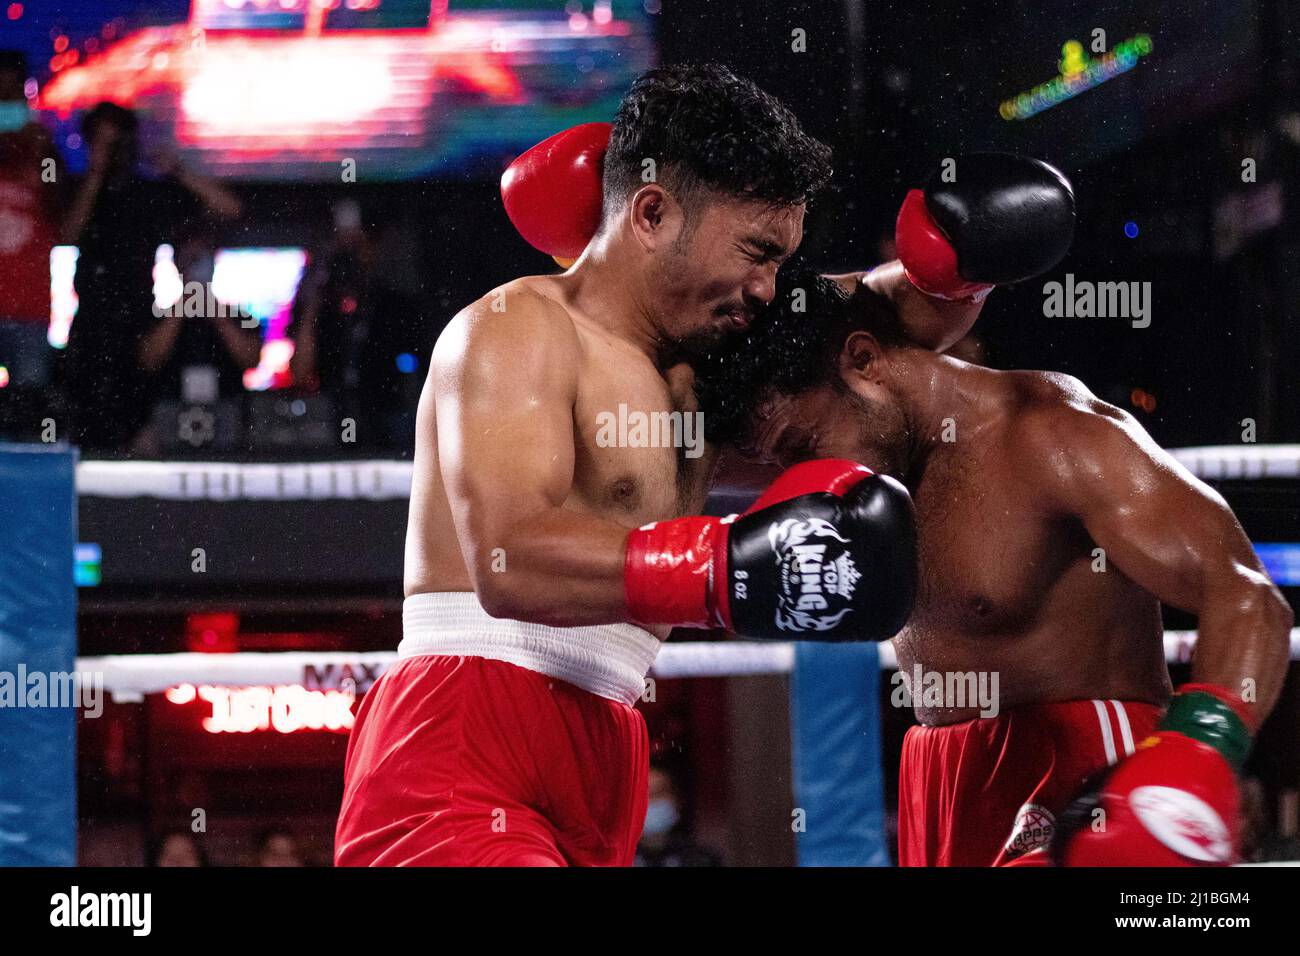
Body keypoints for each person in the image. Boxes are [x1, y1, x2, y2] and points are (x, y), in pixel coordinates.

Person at [335, 65, 1068, 867]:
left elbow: (891, 316)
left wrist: (956, 262)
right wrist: (725, 565)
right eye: (756, 252)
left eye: (781, 263)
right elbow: (511, 561)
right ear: (652, 212)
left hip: (606, 739)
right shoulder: (519, 329)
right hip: (467, 733)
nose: (766, 287)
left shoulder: (710, 367)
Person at [692, 266, 1295, 866]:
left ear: (865, 361)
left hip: (1079, 773)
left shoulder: (1052, 435)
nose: (807, 482)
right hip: (940, 774)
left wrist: (1197, 748)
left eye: (803, 446)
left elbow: (1244, 595)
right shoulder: (875, 468)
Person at [60, 102, 241, 453]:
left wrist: (178, 170)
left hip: (138, 321)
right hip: (91, 325)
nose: (112, 150)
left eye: (118, 142)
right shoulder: (81, 190)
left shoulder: (148, 192)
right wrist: (96, 173)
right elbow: (66, 236)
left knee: (140, 428)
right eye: (102, 141)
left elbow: (230, 209)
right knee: (84, 428)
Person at [0, 51, 62, 435]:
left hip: (28, 308)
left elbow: (56, 199)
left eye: (12, 96)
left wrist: (40, 152)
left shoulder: (44, 154)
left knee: (29, 414)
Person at [634, 761, 720, 866]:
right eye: (644, 794)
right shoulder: (616, 861)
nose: (652, 801)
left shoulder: (701, 859)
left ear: (676, 800)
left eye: (659, 793)